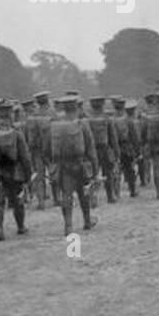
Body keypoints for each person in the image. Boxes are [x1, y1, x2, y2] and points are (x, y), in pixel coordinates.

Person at [47, 94, 98, 236]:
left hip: (63, 166)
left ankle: (68, 226)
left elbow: (47, 148)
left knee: (66, 195)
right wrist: (94, 168)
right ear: (76, 106)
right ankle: (87, 221)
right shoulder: (82, 124)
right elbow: (91, 148)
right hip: (80, 164)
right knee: (84, 193)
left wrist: (52, 164)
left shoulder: (54, 125)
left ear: (63, 107)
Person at [0, 99, 32, 240]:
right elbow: (25, 157)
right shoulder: (16, 132)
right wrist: (28, 176)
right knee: (17, 200)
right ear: (10, 113)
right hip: (14, 171)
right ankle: (21, 226)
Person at [86, 95, 121, 203]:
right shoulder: (107, 118)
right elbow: (113, 137)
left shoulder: (87, 119)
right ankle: (110, 196)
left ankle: (93, 197)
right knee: (108, 173)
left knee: (92, 174)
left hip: (91, 150)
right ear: (102, 105)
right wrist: (116, 152)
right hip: (104, 149)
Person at [24, 91, 54, 210]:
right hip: (50, 150)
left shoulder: (31, 116)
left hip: (36, 150)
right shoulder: (52, 114)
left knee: (39, 176)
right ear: (47, 100)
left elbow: (27, 134)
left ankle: (41, 202)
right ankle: (57, 199)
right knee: (54, 172)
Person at [111, 96, 141, 197]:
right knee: (129, 170)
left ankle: (116, 192)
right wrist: (137, 151)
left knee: (116, 170)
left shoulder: (111, 119)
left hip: (114, 147)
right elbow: (134, 136)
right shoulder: (128, 120)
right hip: (126, 147)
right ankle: (132, 191)